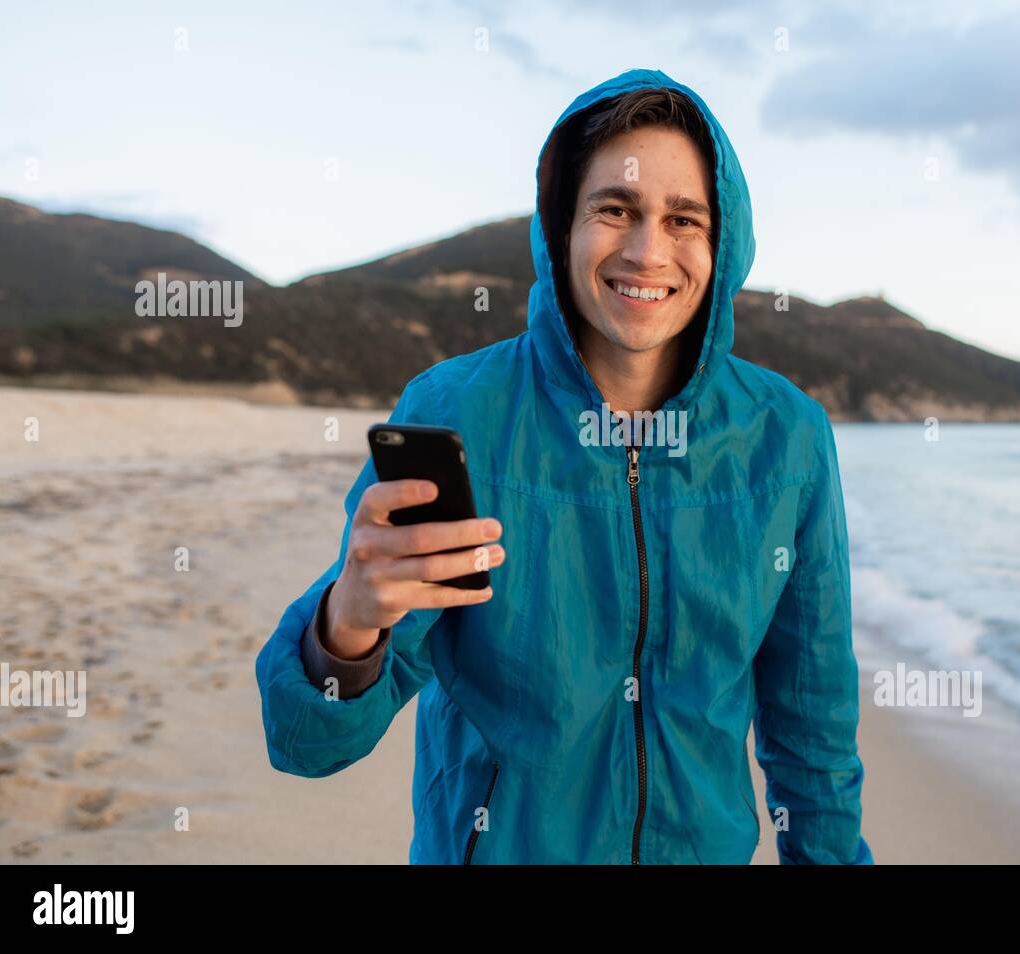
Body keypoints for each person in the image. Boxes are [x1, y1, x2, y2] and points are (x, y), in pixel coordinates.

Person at [255, 68, 874, 865]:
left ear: (723, 246)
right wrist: (348, 625)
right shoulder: (457, 414)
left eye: (684, 219)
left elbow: (813, 734)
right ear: (562, 228)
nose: (649, 251)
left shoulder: (786, 437)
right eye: (615, 209)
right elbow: (308, 743)